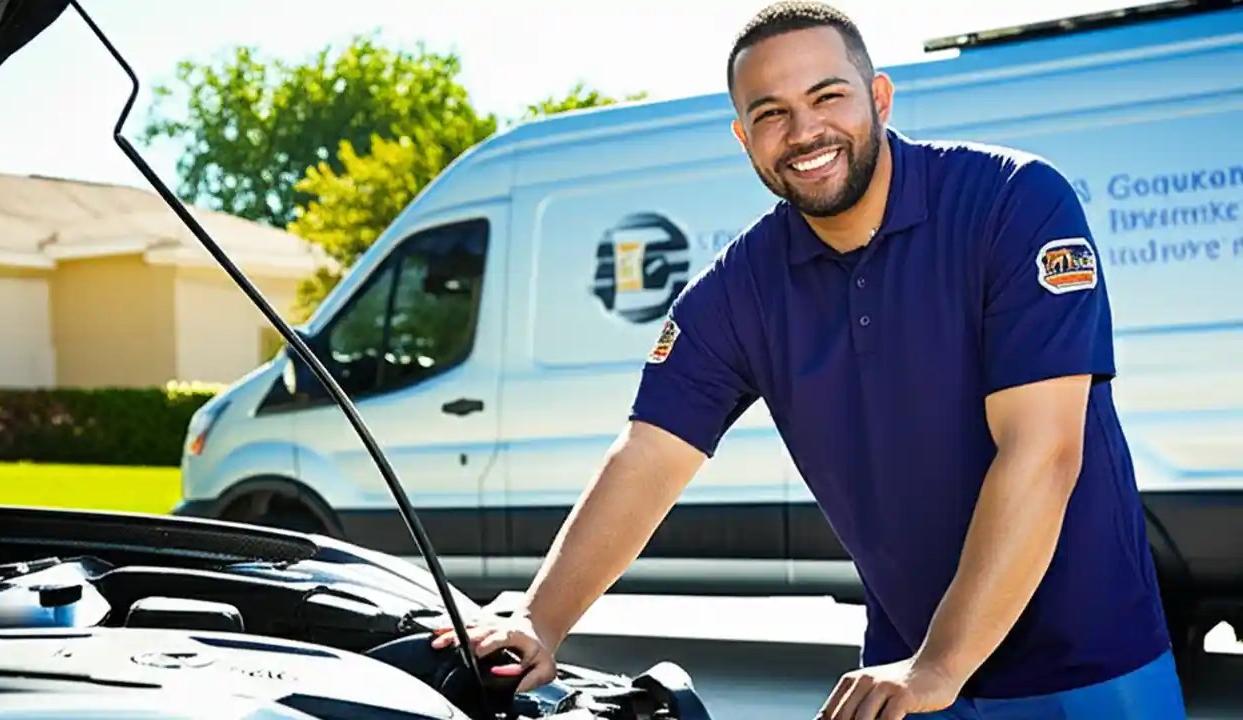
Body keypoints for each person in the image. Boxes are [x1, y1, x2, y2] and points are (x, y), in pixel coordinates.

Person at [431, 2, 1188, 718]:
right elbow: (649, 457)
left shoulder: (1012, 203)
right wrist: (539, 620)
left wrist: (939, 665)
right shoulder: (742, 290)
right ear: (743, 138)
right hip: (901, 678)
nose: (805, 130)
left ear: (880, 97)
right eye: (772, 114)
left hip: (1090, 663)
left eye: (828, 96)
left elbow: (1043, 451)